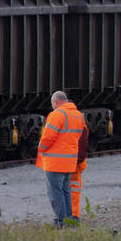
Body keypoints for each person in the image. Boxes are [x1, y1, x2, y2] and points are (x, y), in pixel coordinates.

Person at [36, 91, 86, 226]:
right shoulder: (78, 116)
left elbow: (47, 137)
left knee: (55, 193)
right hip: (70, 162)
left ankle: (60, 221)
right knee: (66, 191)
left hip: (55, 162)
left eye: (53, 104)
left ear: (56, 102)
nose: (53, 107)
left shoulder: (56, 115)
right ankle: (70, 219)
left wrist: (40, 147)